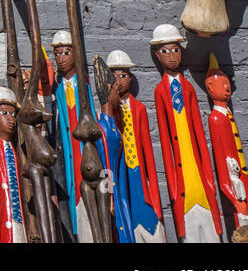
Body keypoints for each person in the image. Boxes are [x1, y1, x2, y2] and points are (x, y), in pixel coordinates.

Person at [151, 25, 221, 242]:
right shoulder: (160, 92)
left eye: (176, 50)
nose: (172, 57)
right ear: (157, 55)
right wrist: (172, 184)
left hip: (199, 175)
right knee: (188, 231)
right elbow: (164, 139)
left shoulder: (188, 88)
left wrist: (209, 177)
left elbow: (200, 133)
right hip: (180, 180)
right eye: (165, 51)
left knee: (211, 230)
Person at [105, 50, 166, 243]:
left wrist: (155, 197)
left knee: (148, 220)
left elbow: (148, 152)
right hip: (119, 174)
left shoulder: (139, 109)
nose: (119, 81)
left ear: (130, 79)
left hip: (138, 172)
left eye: (123, 75)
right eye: (114, 76)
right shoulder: (107, 114)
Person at [48, 30, 96, 242]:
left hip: (86, 158)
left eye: (66, 52)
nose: (61, 58)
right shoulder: (58, 92)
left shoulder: (83, 86)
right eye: (57, 54)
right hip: (69, 161)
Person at [204, 53, 248, 230]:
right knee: (245, 225)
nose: (227, 87)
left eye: (227, 82)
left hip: (244, 179)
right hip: (236, 185)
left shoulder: (227, 115)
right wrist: (233, 198)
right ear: (210, 87)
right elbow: (221, 164)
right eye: (221, 83)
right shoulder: (215, 119)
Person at [0, 88, 27, 243]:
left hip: (21, 227)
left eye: (13, 114)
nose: (11, 119)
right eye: (4, 113)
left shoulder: (17, 152)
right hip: (7, 230)